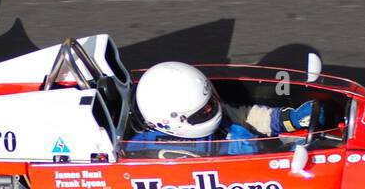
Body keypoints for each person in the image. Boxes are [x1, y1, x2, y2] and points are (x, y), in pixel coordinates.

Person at [125, 62, 314, 157]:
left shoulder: (206, 110)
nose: (211, 110)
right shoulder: (148, 151)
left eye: (210, 104)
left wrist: (290, 119)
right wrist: (284, 154)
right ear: (168, 121)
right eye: (202, 112)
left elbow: (245, 116)